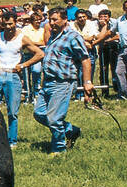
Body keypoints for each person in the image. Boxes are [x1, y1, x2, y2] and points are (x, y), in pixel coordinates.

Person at [33, 8, 95, 153]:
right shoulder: (53, 36)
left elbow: (85, 60)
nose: (51, 22)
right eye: (50, 19)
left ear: (65, 19)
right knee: (39, 113)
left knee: (54, 119)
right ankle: (71, 130)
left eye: (55, 19)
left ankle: (59, 150)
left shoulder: (73, 37)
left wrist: (87, 83)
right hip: (48, 82)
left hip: (64, 82)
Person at [0, 12, 44, 148]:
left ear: (16, 22)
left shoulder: (22, 38)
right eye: (5, 24)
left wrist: (23, 65)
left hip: (12, 76)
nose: (8, 27)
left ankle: (12, 141)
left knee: (12, 111)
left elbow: (40, 53)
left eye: (11, 23)